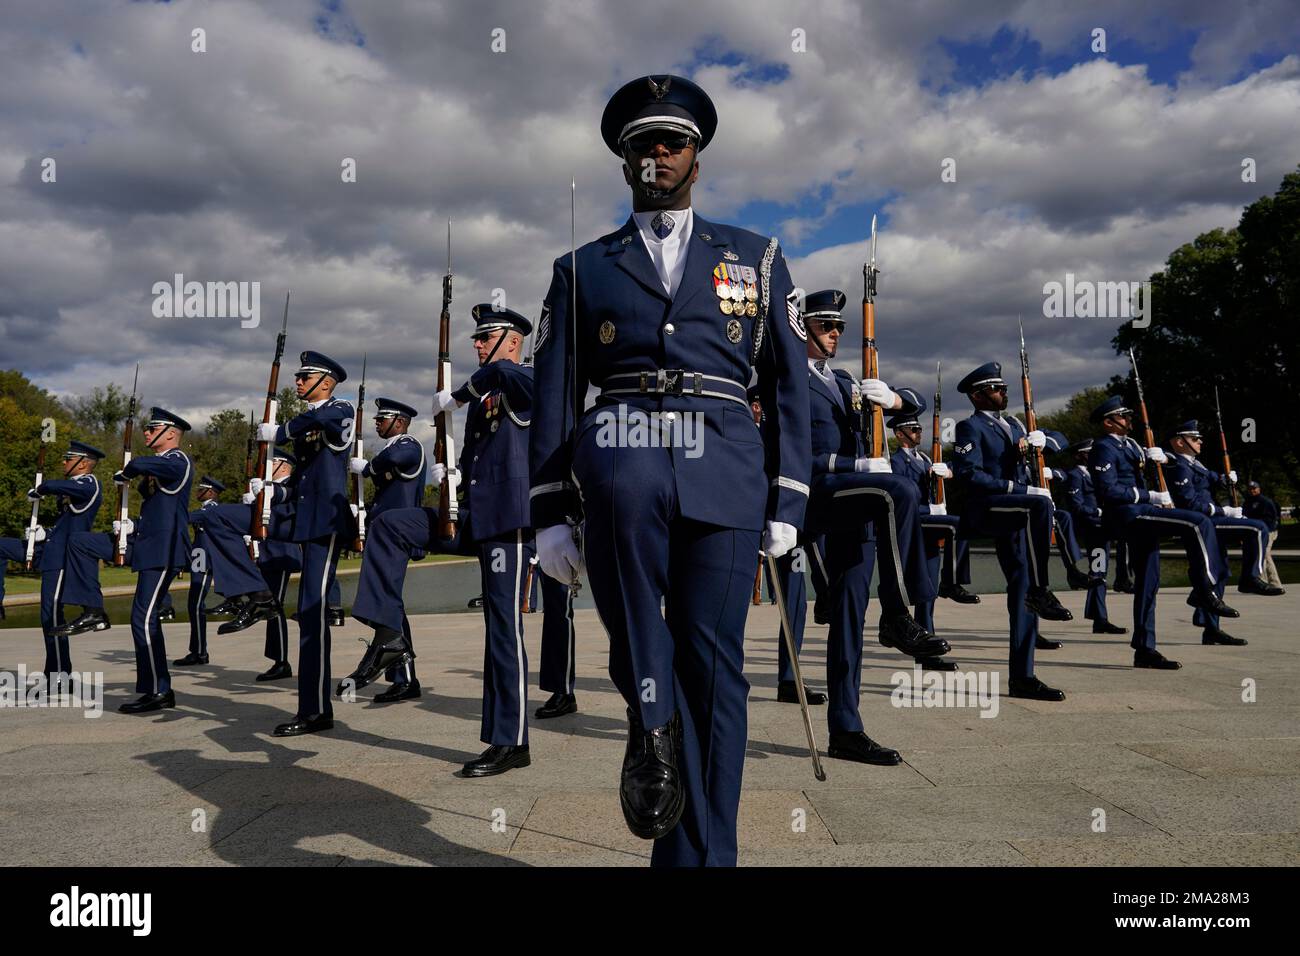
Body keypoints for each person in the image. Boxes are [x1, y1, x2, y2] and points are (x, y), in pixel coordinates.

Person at [530, 74, 810, 867]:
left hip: (722, 453)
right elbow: (554, 391)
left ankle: (702, 858)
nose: (657, 153)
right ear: (625, 163)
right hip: (622, 440)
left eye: (672, 141)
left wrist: (789, 495)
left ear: (696, 157)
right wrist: (550, 508)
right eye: (641, 144)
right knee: (639, 627)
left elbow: (789, 383)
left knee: (715, 666)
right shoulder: (581, 267)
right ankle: (648, 713)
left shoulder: (756, 258)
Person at [344, 306, 537, 776]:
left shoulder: (527, 377)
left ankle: (511, 742)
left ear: (513, 339)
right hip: (471, 516)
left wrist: (458, 394)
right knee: (391, 525)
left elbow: (514, 380)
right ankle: (389, 633)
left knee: (503, 630)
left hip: (511, 522)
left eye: (486, 335)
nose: (476, 343)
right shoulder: (487, 390)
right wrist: (449, 472)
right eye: (474, 337)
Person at [795, 290, 947, 758]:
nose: (835, 333)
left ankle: (845, 728)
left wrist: (898, 400)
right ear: (801, 328)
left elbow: (915, 404)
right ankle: (901, 613)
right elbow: (793, 455)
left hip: (858, 509)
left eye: (838, 326)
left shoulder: (842, 382)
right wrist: (853, 465)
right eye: (824, 326)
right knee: (898, 490)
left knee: (847, 620)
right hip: (820, 497)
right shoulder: (786, 381)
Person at [1087, 396, 1241, 664]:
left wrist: (1164, 458)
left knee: (1149, 584)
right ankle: (1204, 590)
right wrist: (1150, 496)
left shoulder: (1131, 446)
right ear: (1108, 422)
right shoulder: (1103, 447)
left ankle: (1145, 648)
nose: (1129, 420)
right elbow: (1107, 490)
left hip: (1144, 515)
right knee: (1198, 521)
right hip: (1128, 516)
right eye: (1123, 416)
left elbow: (1175, 463)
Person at [951, 362, 1072, 701]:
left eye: (1003, 387)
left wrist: (1046, 439)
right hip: (991, 508)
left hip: (1020, 514)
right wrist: (1019, 489)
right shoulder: (969, 427)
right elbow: (968, 475)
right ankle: (1043, 588)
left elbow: (1063, 440)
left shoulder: (1017, 424)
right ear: (977, 395)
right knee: (1041, 507)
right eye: (995, 388)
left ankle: (1023, 675)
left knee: (1022, 581)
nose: (1003, 392)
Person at [62, 408, 194, 712]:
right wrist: (132, 523)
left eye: (152, 429)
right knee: (80, 542)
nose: (146, 433)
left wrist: (131, 468)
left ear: (170, 433)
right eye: (146, 429)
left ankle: (159, 690)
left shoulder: (178, 461)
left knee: (144, 619)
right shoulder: (156, 467)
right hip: (144, 542)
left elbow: (150, 468)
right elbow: (158, 508)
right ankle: (93, 608)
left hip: (164, 550)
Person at [254, 351, 354, 736]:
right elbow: (301, 482)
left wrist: (280, 431)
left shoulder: (338, 409)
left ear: (325, 382)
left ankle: (314, 710)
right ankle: (313, 707)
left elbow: (325, 419)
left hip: (327, 521)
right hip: (304, 519)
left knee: (312, 611)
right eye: (297, 377)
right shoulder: (309, 421)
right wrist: (271, 493)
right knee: (307, 613)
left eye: (304, 377)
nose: (297, 383)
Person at [0, 440, 105, 683]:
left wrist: (43, 488)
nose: (63, 462)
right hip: (50, 547)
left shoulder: (89, 484)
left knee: (51, 616)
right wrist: (44, 533)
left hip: (60, 557)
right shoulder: (71, 488)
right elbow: (64, 524)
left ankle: (59, 674)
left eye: (68, 458)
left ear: (83, 463)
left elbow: (59, 489)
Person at [348, 397, 427, 702]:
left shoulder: (408, 444)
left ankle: (406, 679)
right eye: (377, 420)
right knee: (391, 602)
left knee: (390, 601)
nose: (378, 424)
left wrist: (367, 467)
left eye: (382, 420)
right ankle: (403, 676)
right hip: (384, 535)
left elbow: (396, 459)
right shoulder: (389, 449)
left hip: (400, 534)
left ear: (400, 421)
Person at [889, 405, 979, 662]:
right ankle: (952, 582)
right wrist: (932, 506)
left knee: (927, 591)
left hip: (930, 526)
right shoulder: (896, 462)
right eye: (912, 429)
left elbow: (957, 467)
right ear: (899, 434)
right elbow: (901, 502)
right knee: (958, 524)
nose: (918, 433)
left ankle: (927, 652)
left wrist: (947, 469)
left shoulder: (926, 459)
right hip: (917, 522)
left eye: (919, 428)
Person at [1060, 439, 1125, 634]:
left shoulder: (1096, 474)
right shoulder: (1075, 475)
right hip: (1093, 530)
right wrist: (1099, 512)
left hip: (1104, 527)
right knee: (1098, 572)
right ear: (1080, 455)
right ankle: (1100, 618)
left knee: (1100, 572)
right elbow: (1077, 506)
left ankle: (1100, 616)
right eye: (1090, 453)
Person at [249, 448, 300, 682]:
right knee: (270, 605)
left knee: (274, 605)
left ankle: (281, 661)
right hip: (269, 552)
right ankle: (277, 659)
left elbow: (287, 509)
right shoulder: (272, 487)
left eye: (273, 462)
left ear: (284, 465)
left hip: (283, 552)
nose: (268, 466)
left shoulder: (291, 484)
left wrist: (266, 495)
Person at [174, 475, 224, 666]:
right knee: (193, 605)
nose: (197, 492)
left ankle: (200, 652)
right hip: (198, 559)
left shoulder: (210, 510)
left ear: (210, 492)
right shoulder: (205, 509)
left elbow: (185, 518)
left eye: (200, 489)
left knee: (195, 605)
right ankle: (197, 650)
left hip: (204, 561)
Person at [1243, 481, 1284, 590]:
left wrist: (1265, 530)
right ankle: (1262, 582)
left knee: (1265, 554)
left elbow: (1272, 519)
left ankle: (1275, 584)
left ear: (1259, 489)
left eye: (1254, 488)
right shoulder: (1247, 502)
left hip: (1269, 531)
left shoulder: (1265, 501)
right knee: (1258, 555)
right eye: (1250, 489)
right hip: (1255, 533)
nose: (1252, 491)